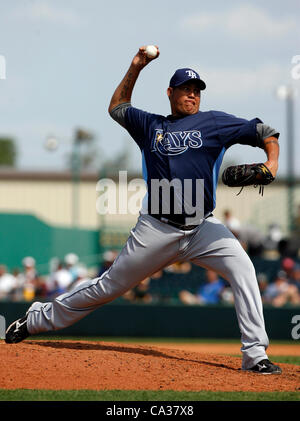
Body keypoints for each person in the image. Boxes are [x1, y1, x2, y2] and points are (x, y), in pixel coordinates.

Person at [5, 45, 281, 374]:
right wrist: (136, 66)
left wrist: (272, 163)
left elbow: (265, 131)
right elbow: (117, 107)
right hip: (157, 228)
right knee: (108, 287)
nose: (192, 95)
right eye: (185, 89)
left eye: (196, 91)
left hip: (202, 229)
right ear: (170, 93)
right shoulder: (151, 125)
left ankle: (255, 355)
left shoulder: (215, 122)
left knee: (244, 270)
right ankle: (36, 319)